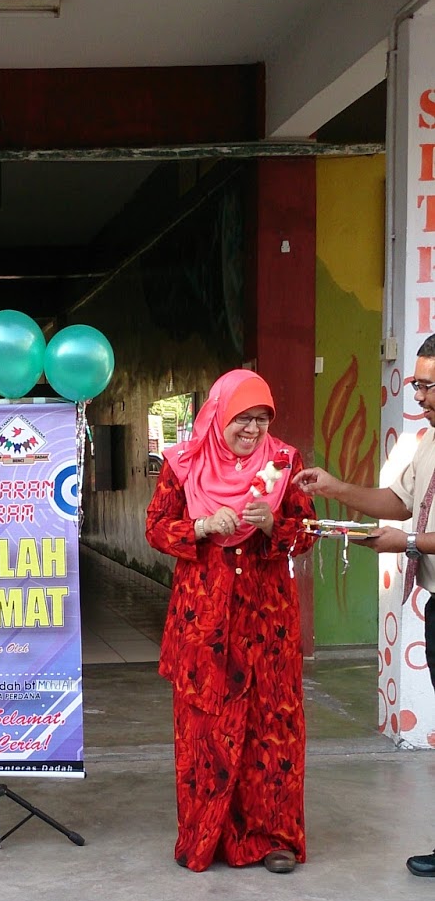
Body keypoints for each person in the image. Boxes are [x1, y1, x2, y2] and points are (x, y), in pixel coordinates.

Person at [146, 368, 315, 874]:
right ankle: (206, 837)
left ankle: (273, 839)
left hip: (268, 621)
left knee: (273, 728)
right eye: (244, 418)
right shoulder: (181, 465)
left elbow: (307, 530)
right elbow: (155, 528)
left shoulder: (285, 462)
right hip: (205, 620)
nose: (253, 430)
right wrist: (199, 526)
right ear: (219, 414)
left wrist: (276, 526)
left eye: (263, 419)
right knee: (206, 729)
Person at [295, 332, 435, 876]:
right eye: (417, 383)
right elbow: (398, 502)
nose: (418, 395)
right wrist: (335, 487)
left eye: (426, 385)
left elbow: (411, 530)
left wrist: (411, 544)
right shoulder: (426, 442)